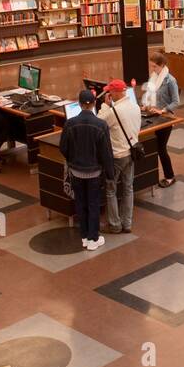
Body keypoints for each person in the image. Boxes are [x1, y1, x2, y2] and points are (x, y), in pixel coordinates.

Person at [60, 89, 114, 250]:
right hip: (95, 173)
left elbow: (63, 148)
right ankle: (93, 238)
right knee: (93, 204)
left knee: (81, 203)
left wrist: (72, 160)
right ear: (95, 104)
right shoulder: (101, 125)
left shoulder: (70, 124)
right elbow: (106, 153)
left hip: (76, 172)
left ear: (79, 104)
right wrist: (110, 174)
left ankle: (84, 236)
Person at [101, 78, 142, 235]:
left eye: (110, 91)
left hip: (117, 156)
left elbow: (99, 122)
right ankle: (127, 223)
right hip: (131, 154)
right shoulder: (135, 107)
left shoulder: (114, 112)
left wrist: (105, 105)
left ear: (116, 93)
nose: (108, 93)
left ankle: (115, 225)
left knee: (111, 189)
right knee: (128, 188)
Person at [143, 51, 180, 187]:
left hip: (165, 118)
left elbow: (176, 102)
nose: (152, 70)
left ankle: (170, 177)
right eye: (151, 66)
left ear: (162, 65)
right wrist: (146, 105)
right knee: (151, 146)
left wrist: (162, 110)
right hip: (154, 115)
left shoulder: (170, 81)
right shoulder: (154, 78)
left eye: (154, 67)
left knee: (161, 149)